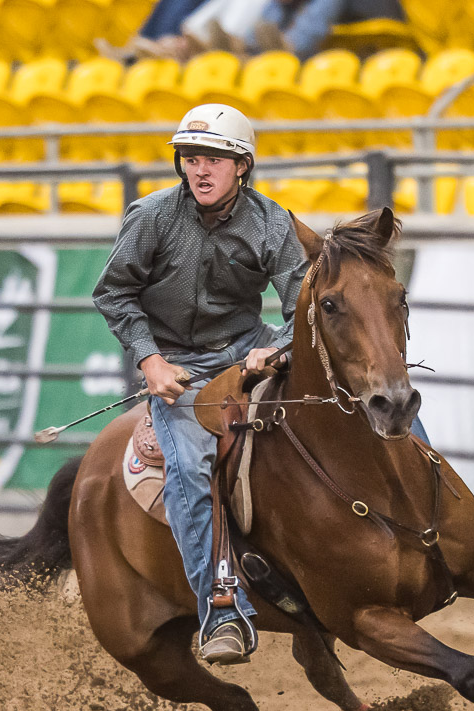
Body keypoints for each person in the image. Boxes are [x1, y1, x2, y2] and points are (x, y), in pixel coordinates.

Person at [93, 104, 309, 665]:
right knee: (189, 468)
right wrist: (150, 361)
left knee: (348, 395)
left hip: (249, 347)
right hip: (179, 365)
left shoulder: (272, 223)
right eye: (191, 158)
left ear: (242, 166)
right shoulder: (152, 216)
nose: (200, 169)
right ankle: (222, 610)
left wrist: (279, 348)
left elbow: (302, 306)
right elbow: (113, 292)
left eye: (214, 158)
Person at [248, 0, 406, 60]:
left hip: (388, 56)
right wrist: (250, 46)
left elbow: (306, 37)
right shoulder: (281, 6)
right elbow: (267, 25)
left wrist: (283, 47)